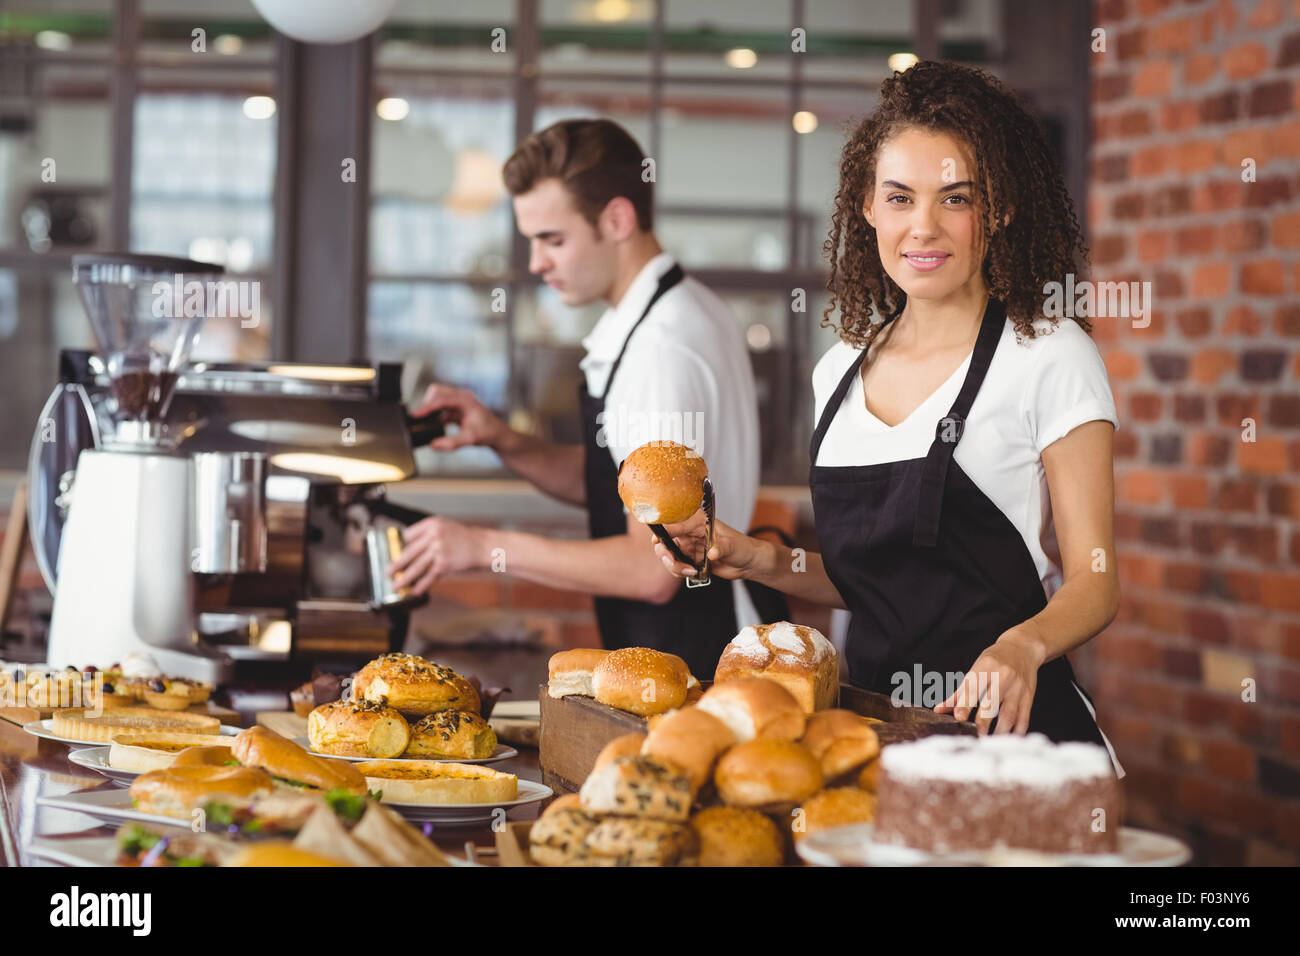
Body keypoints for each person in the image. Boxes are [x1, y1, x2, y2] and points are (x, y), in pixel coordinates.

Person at [654, 61, 1124, 775]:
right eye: (899, 197)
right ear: (867, 207)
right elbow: (877, 580)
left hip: (1012, 749)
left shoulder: (1049, 354)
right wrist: (760, 558)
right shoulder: (838, 369)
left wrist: (1021, 647)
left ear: (997, 211)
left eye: (955, 198)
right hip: (869, 738)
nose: (923, 227)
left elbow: (1096, 579)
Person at [391, 118, 764, 677]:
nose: (537, 262)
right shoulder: (675, 310)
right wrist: (504, 441)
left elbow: (652, 568)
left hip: (698, 664)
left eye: (553, 239)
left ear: (617, 219)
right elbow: (620, 482)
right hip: (673, 655)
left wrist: (480, 546)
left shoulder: (661, 349)